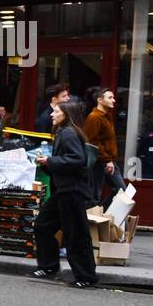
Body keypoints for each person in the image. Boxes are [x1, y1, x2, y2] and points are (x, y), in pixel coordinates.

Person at [32, 101, 98, 287]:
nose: (52, 114)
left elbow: (77, 159)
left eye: (56, 112)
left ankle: (86, 277)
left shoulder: (68, 133)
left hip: (71, 191)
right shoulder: (63, 132)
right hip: (63, 190)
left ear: (66, 115)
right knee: (43, 225)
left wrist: (50, 161)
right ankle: (49, 265)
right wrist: (47, 164)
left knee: (76, 235)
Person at [83, 88, 124, 206]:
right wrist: (107, 160)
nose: (114, 100)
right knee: (94, 196)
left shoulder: (106, 116)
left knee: (121, 191)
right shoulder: (94, 117)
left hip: (108, 161)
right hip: (99, 161)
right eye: (110, 98)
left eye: (113, 97)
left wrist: (109, 160)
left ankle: (103, 217)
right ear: (100, 100)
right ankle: (93, 221)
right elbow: (92, 143)